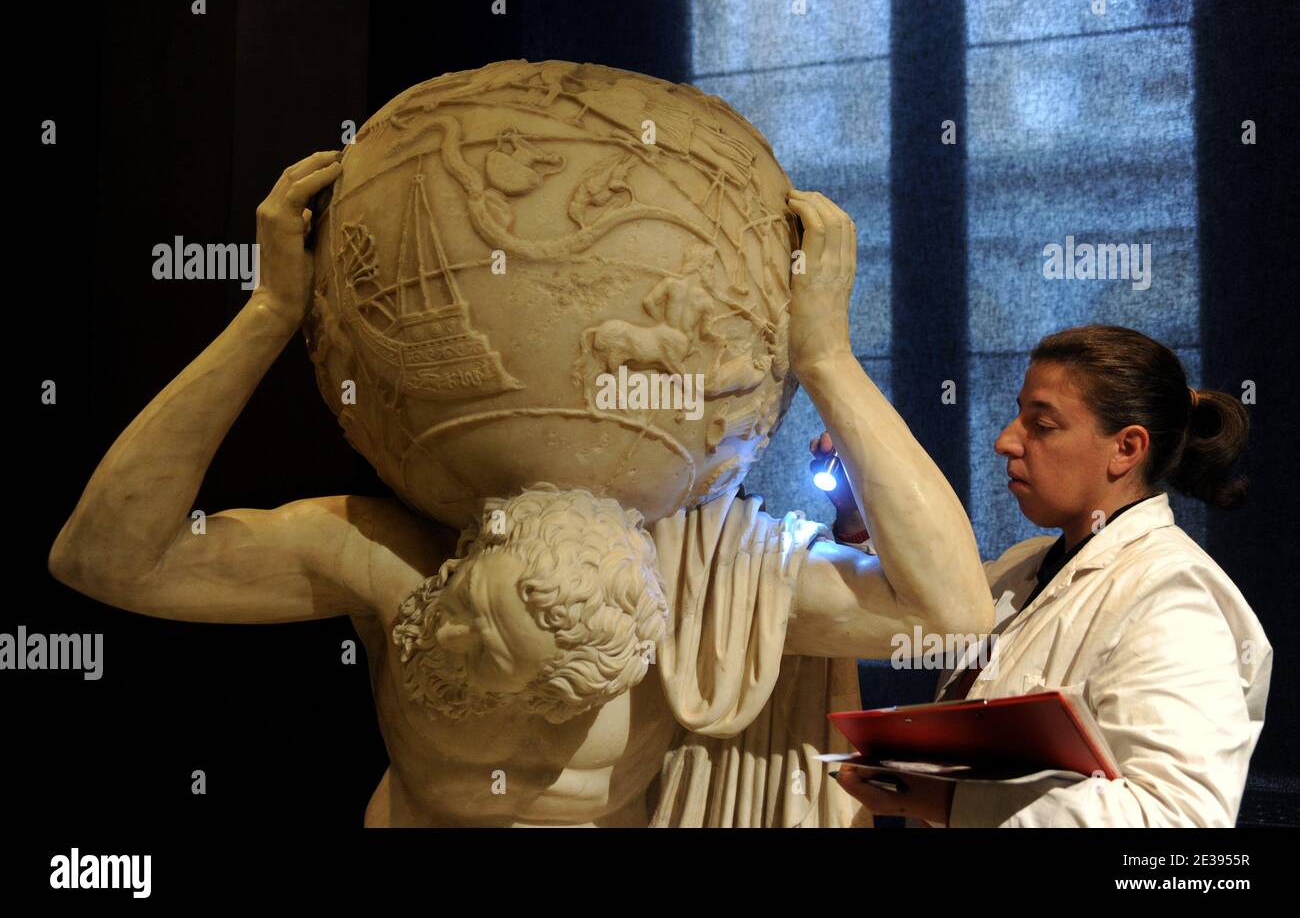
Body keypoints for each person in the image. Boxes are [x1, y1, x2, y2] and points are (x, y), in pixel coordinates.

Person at [47, 154, 994, 826]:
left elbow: (954, 612)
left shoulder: (704, 583)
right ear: (477, 547)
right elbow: (104, 560)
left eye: (487, 644)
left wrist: (826, 352)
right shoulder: (387, 564)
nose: (448, 636)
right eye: (471, 612)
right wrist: (268, 312)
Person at [822, 323, 1273, 826]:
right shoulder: (1028, 565)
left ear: (1126, 448)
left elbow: (1177, 819)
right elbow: (912, 606)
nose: (1005, 440)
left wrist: (947, 801)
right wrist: (858, 516)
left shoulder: (1175, 601)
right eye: (1019, 414)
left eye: (1042, 425)